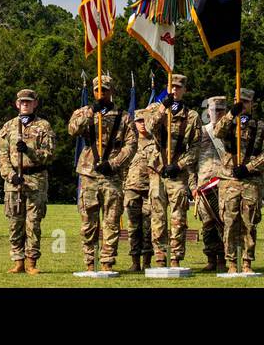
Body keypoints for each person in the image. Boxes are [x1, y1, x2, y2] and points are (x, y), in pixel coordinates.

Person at [67, 75, 136, 272]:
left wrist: (114, 163)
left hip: (111, 175)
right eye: (97, 90)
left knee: (111, 221)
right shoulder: (84, 112)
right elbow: (72, 130)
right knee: (88, 221)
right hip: (89, 173)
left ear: (111, 91)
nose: (101, 93)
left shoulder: (123, 117)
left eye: (105, 90)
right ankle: (90, 261)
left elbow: (131, 145)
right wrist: (90, 112)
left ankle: (107, 261)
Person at [213, 88, 264, 273]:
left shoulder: (262, 127)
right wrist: (232, 113)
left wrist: (248, 168)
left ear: (252, 104)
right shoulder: (228, 123)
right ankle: (231, 262)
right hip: (229, 180)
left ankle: (247, 261)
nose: (241, 104)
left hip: (251, 181)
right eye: (238, 101)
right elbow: (217, 132)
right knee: (230, 222)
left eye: (245, 102)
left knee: (249, 222)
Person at [144, 72, 202, 268]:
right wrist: (163, 107)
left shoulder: (192, 116)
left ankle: (176, 257)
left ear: (185, 90)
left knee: (178, 217)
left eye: (179, 87)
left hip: (177, 173)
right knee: (158, 216)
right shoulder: (156, 109)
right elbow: (149, 127)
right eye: (172, 87)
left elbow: (195, 148)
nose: (175, 91)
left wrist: (179, 165)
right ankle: (160, 256)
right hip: (158, 171)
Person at [0, 88, 55, 274]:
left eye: (29, 102)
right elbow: (2, 156)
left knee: (33, 222)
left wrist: (29, 150)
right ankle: (18, 260)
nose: (25, 104)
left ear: (35, 104)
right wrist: (11, 175)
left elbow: (49, 155)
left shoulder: (44, 126)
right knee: (15, 222)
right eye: (22, 102)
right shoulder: (8, 127)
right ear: (17, 104)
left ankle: (31, 262)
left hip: (36, 180)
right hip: (15, 181)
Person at [123, 110, 163, 272]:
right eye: (138, 120)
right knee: (133, 227)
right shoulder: (129, 143)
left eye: (144, 120)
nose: (141, 123)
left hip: (150, 189)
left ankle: (147, 261)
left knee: (149, 227)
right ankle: (135, 261)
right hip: (131, 188)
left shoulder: (156, 142)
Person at [193, 95, 229, 272]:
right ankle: (210, 259)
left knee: (223, 223)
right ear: (208, 111)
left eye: (221, 110)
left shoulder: (231, 131)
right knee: (207, 224)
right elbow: (192, 161)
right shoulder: (201, 132)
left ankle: (223, 258)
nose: (217, 113)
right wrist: (193, 185)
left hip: (225, 183)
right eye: (214, 110)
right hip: (204, 184)